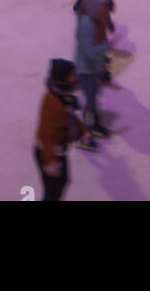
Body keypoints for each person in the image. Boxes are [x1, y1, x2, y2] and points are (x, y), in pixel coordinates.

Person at [34, 59, 86, 201]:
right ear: (62, 78)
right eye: (71, 75)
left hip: (57, 151)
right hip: (47, 152)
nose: (75, 77)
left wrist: (83, 131)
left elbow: (69, 116)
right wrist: (50, 161)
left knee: (62, 183)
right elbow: (47, 135)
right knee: (53, 191)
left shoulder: (62, 96)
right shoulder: (52, 102)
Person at [75, 0, 113, 147]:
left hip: (93, 68)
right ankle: (86, 133)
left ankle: (94, 124)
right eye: (102, 9)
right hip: (86, 70)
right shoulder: (86, 25)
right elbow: (89, 51)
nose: (105, 12)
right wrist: (107, 47)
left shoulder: (94, 21)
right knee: (90, 102)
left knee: (93, 99)